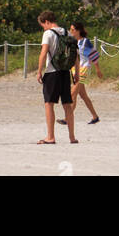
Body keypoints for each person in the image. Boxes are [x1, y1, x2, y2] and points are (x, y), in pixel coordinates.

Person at [36, 11, 78, 145]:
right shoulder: (68, 33)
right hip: (65, 72)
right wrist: (76, 72)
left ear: (47, 21)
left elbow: (43, 53)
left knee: (49, 104)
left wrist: (39, 71)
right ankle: (72, 137)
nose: (43, 28)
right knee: (67, 105)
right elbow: (75, 55)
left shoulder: (48, 34)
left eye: (43, 25)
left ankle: (50, 137)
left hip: (52, 72)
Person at [69, 21, 101, 124]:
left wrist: (97, 69)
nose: (71, 31)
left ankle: (67, 118)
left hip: (84, 69)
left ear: (78, 31)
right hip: (74, 70)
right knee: (83, 95)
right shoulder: (72, 42)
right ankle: (95, 116)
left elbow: (94, 55)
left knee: (72, 93)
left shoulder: (85, 42)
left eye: (73, 29)